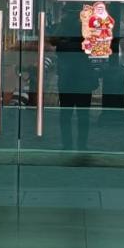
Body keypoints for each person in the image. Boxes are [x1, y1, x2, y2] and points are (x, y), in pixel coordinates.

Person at [51, 8, 99, 151]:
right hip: (83, 78)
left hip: (67, 79)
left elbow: (54, 42)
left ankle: (67, 145)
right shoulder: (84, 29)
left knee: (65, 114)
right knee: (83, 115)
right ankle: (82, 145)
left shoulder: (62, 30)